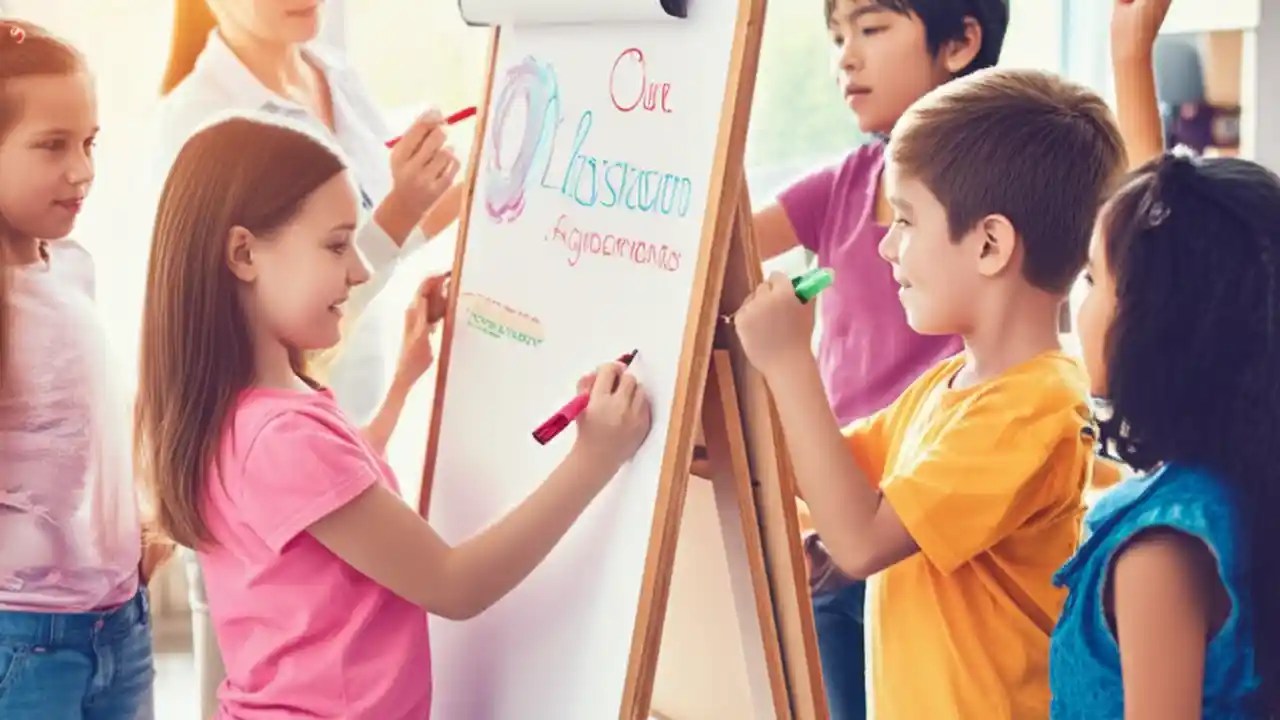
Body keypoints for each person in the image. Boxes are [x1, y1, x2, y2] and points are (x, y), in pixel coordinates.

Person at [135, 115, 652, 718]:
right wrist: (593, 461)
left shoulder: (241, 413)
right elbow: (454, 585)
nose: (358, 270)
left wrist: (404, 382)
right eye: (336, 245)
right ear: (244, 253)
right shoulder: (282, 437)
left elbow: (337, 504)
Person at [733, 67, 1126, 718]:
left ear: (991, 244)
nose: (885, 247)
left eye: (906, 221)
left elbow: (862, 540)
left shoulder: (1034, 407)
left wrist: (788, 362)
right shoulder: (949, 387)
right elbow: (825, 475)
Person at [155, 2, 463, 707]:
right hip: (278, 446)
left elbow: (372, 234)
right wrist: (399, 209)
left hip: (333, 413)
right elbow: (262, 293)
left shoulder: (334, 73)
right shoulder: (200, 118)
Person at [750, 2, 1008, 714]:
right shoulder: (842, 183)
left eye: (871, 29)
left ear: (959, 43)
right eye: (836, 37)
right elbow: (719, 240)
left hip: (930, 529)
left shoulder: (996, 194)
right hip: (840, 521)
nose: (845, 58)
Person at [1047, 3, 1276, 716]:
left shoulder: (1163, 553)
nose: (1075, 306)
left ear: (1154, 327)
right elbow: (1172, 253)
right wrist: (1128, 55)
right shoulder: (1234, 483)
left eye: (1091, 281)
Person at [0, 19, 168, 718]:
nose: (83, 170)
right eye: (52, 146)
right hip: (24, 638)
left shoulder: (72, 266)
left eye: (89, 142)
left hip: (119, 620)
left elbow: (94, 414)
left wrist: (138, 514)